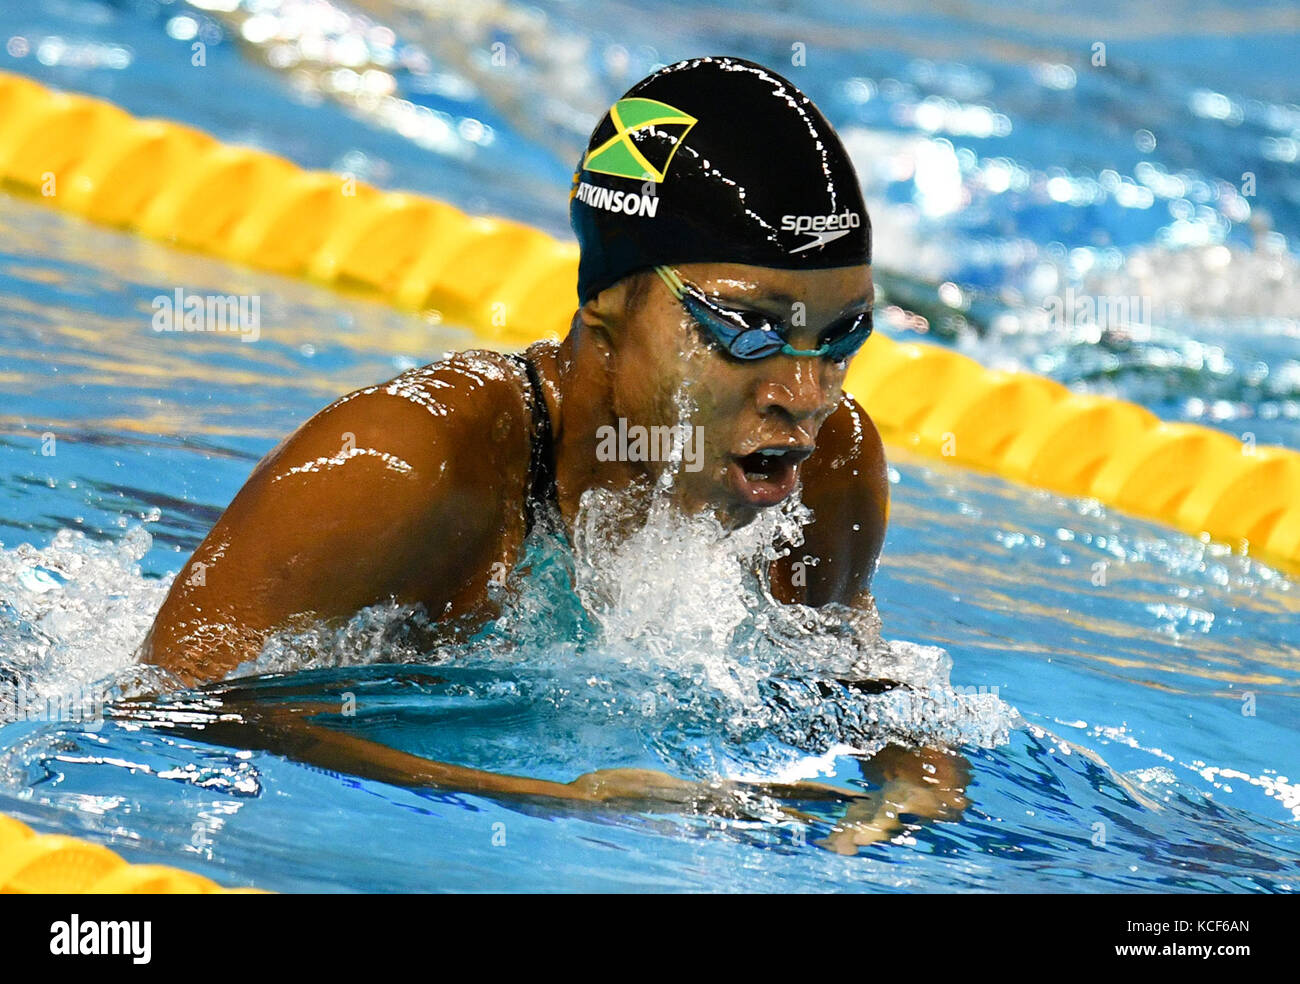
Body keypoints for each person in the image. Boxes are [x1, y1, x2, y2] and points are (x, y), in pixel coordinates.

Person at [135, 56, 968, 846]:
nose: (809, 393)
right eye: (748, 329)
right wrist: (547, 803)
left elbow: (852, 680)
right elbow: (166, 712)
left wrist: (914, 780)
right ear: (609, 295)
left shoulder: (827, 468)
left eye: (843, 335)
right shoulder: (402, 462)